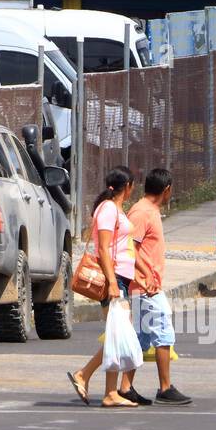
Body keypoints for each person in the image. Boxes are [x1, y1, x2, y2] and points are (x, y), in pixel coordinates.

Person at [67, 165, 138, 408]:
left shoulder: (115, 209)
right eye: (132, 186)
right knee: (118, 336)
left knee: (117, 337)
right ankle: (89, 378)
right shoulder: (108, 209)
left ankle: (102, 387)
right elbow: (104, 249)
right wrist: (111, 283)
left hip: (121, 279)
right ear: (127, 186)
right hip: (114, 279)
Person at [120, 168, 193, 406]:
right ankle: (165, 387)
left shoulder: (149, 210)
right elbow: (129, 246)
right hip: (146, 287)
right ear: (167, 189)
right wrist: (143, 276)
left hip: (146, 285)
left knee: (140, 340)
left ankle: (125, 387)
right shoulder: (142, 212)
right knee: (164, 334)